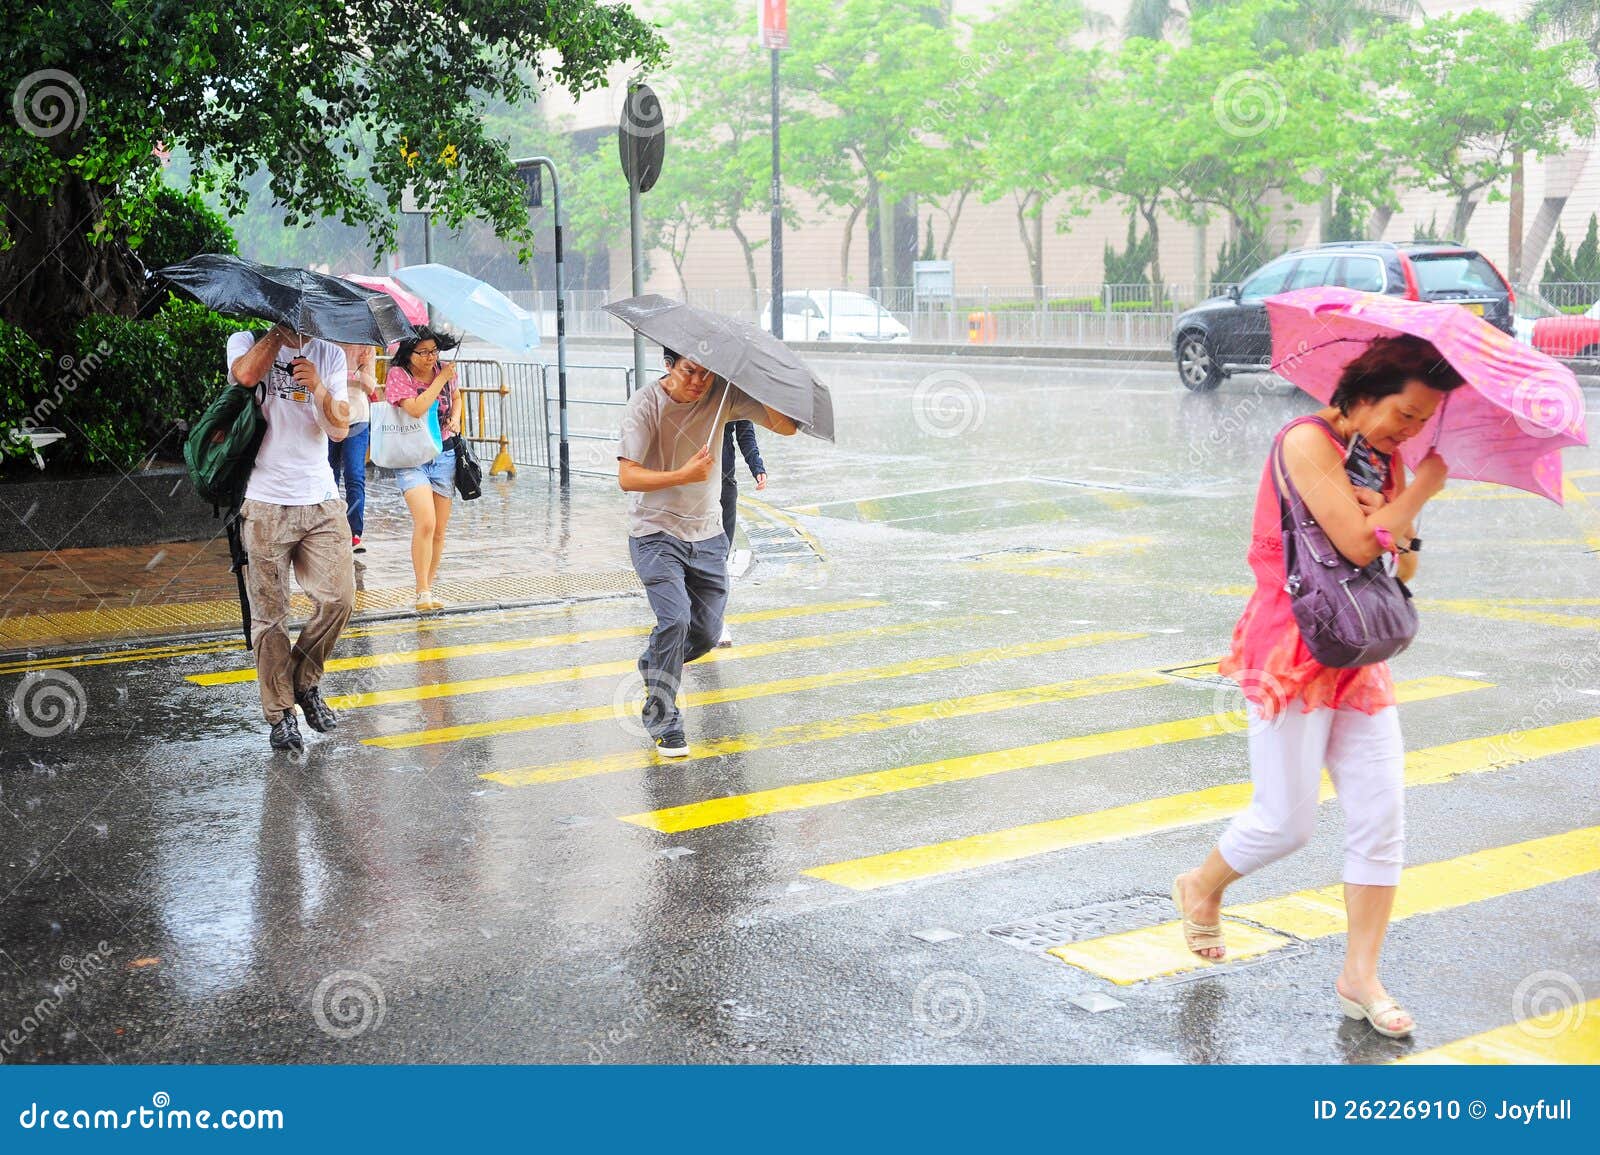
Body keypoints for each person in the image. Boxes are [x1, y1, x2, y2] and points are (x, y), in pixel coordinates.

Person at [1173, 335, 1461, 1039]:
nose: (1409, 429)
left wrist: (1398, 505)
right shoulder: (1304, 442)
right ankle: (1202, 885)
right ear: (1365, 392)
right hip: (1294, 645)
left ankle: (1360, 975)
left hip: (1357, 650)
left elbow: (1403, 569)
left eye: (1422, 421)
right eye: (1404, 411)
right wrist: (1420, 489)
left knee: (1380, 813)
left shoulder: (1382, 459)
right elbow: (1362, 546)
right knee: (1284, 821)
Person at [617, 349, 797, 758]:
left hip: (709, 534)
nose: (699, 381)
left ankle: (655, 664)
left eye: (707, 373)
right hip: (655, 532)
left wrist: (762, 382)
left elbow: (786, 427)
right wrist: (684, 474)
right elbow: (627, 476)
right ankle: (663, 718)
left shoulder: (722, 395)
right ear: (669, 365)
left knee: (707, 634)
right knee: (675, 618)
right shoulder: (646, 404)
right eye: (689, 371)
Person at [225, 323, 354, 754]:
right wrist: (276, 338)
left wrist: (317, 385)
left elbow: (339, 428)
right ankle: (280, 715)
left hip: (320, 499)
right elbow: (244, 376)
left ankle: (302, 681)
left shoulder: (330, 355)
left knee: (339, 598)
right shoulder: (246, 343)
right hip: (263, 501)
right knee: (270, 615)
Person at [383, 326, 463, 613]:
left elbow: (458, 398)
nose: (431, 357)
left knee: (440, 530)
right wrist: (440, 378)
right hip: (410, 457)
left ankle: (429, 589)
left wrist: (455, 418)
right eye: (424, 352)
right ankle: (421, 590)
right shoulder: (398, 375)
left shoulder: (443, 369)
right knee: (426, 522)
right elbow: (415, 408)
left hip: (444, 453)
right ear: (409, 352)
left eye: (434, 351)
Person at [716, 418, 767, 647]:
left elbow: (745, 431)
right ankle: (687, 619)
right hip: (690, 484)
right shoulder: (688, 389)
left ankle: (715, 620)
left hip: (724, 484)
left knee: (720, 554)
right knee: (694, 553)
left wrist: (757, 466)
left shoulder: (733, 390)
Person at [331, 342, 381, 553]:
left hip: (358, 418)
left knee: (354, 474)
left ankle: (355, 532)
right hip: (329, 417)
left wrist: (359, 372)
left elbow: (371, 388)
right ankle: (330, 527)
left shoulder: (366, 346)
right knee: (329, 473)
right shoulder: (327, 345)